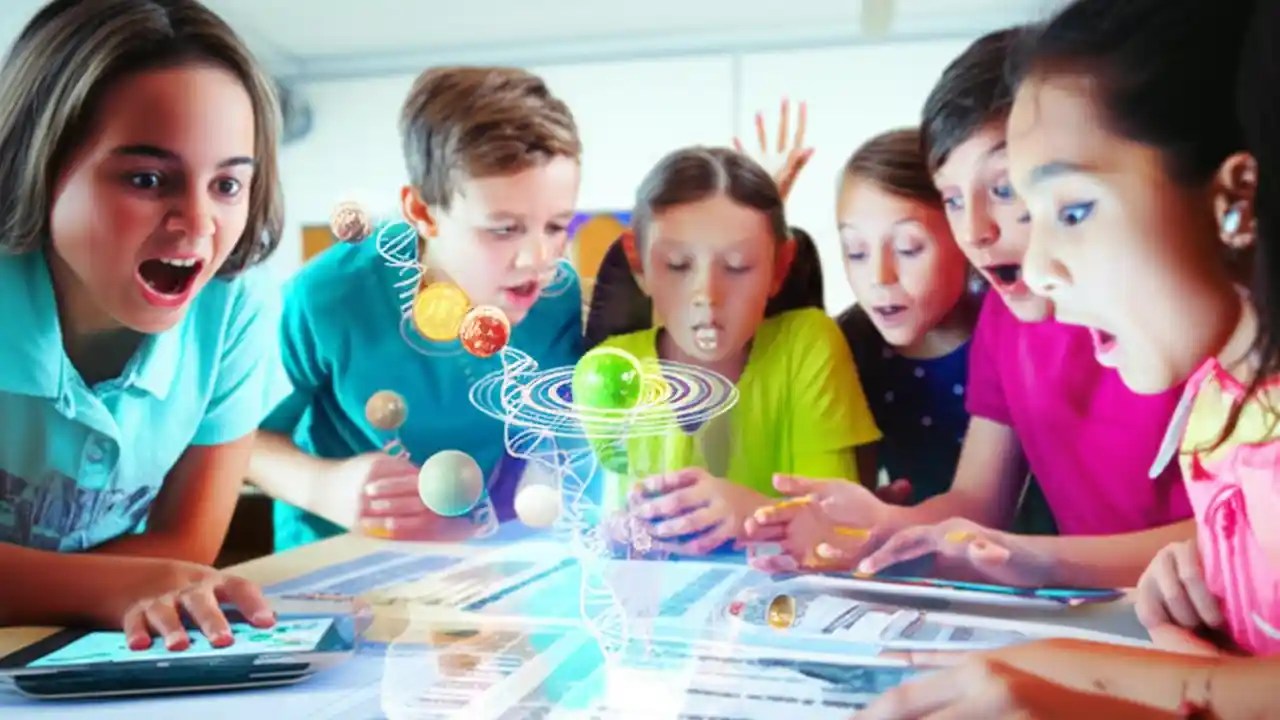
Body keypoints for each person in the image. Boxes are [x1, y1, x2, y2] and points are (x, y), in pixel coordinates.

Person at [859, 0, 1280, 716]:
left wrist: (1096, 687)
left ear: (1234, 201)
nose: (1042, 265)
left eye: (1073, 212)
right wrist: (1216, 572)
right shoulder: (1219, 402)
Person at [745, 26, 1191, 586]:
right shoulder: (1004, 324)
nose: (975, 232)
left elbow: (1238, 536)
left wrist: (1041, 560)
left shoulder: (1180, 314)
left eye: (1005, 189)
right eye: (953, 199)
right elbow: (979, 501)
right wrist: (887, 528)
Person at [0, 0, 283, 648]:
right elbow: (162, 571)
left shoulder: (236, 308)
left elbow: (187, 544)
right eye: (148, 178)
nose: (199, 224)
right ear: (38, 169)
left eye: (227, 186)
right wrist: (113, 586)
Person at [251, 66, 585, 550]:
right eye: (503, 229)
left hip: (477, 562)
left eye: (555, 227)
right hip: (334, 565)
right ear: (423, 212)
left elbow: (546, 448)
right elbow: (240, 443)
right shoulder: (328, 296)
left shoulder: (557, 299)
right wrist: (324, 486)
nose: (538, 260)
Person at [600, 147, 881, 556]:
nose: (707, 297)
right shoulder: (609, 372)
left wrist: (749, 512)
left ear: (779, 268)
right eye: (678, 265)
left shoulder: (807, 346)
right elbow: (596, 522)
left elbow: (843, 536)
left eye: (737, 266)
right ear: (638, 263)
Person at [833, 128, 979, 504]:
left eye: (908, 248)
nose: (880, 277)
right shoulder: (850, 344)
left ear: (965, 234)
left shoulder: (1005, 333)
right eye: (856, 252)